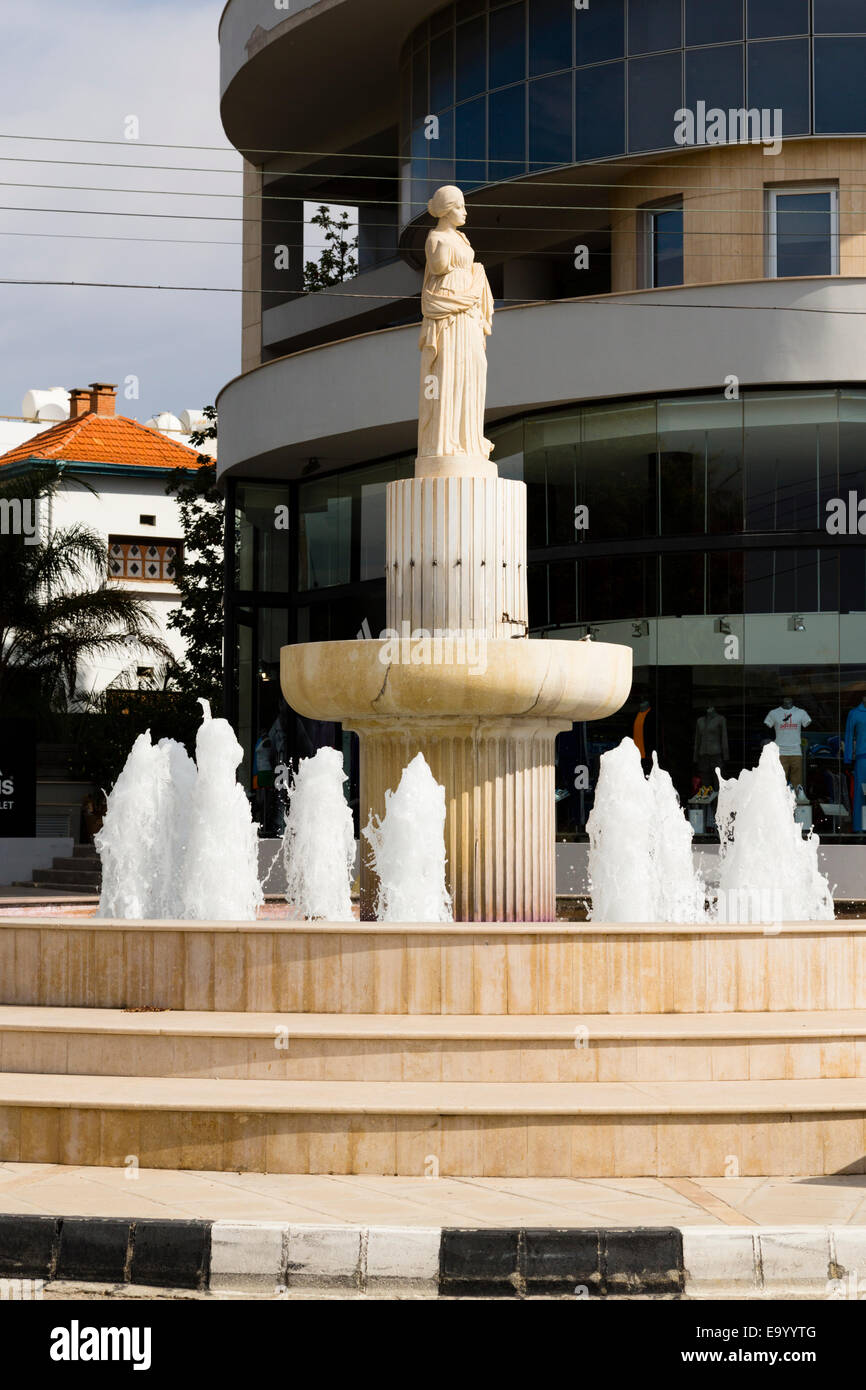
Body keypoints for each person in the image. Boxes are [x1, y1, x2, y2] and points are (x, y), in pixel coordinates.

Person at [418, 185, 494, 463]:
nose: (465, 212)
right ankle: (446, 440)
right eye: (461, 207)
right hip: (449, 311)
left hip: (468, 311)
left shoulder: (461, 238)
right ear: (448, 210)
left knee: (474, 368)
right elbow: (438, 268)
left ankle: (469, 438)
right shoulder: (436, 237)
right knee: (449, 370)